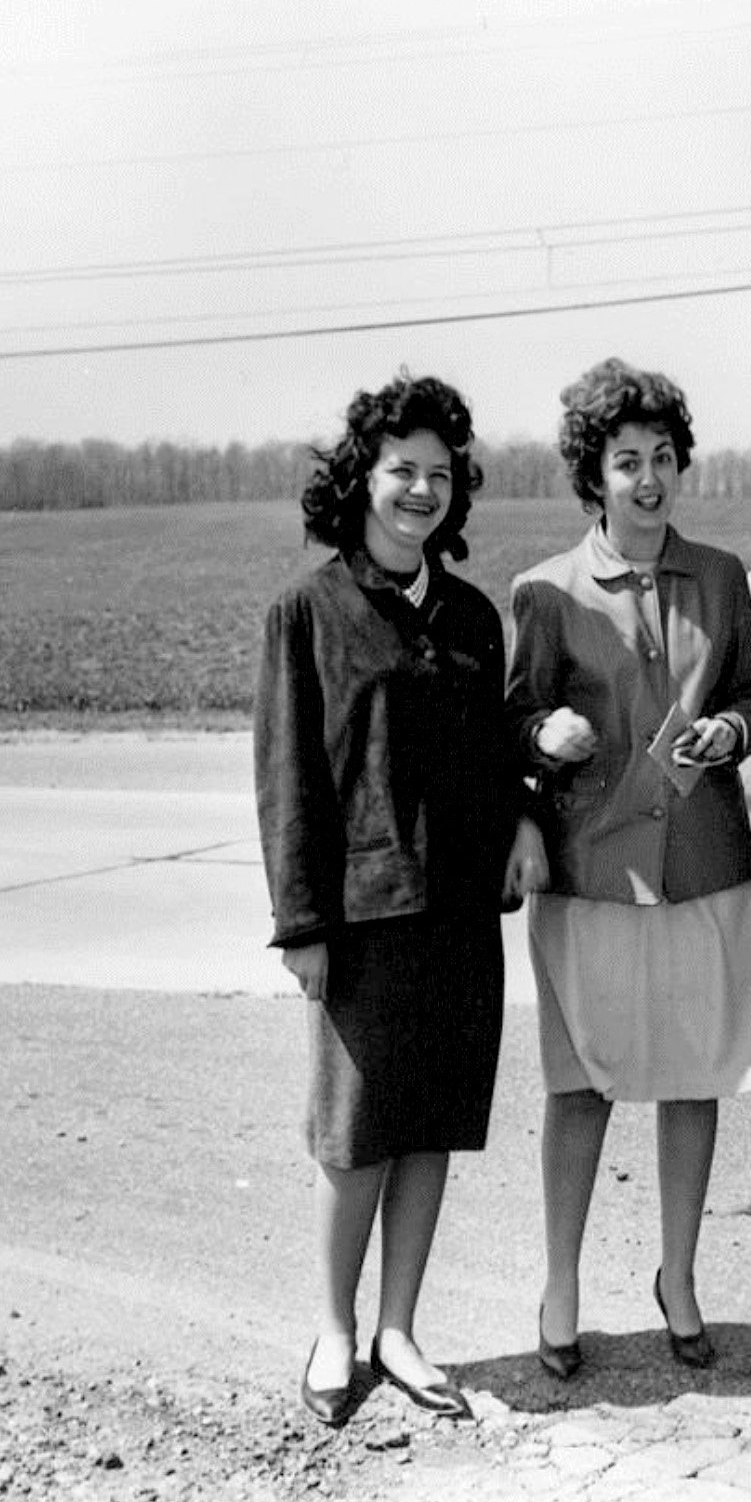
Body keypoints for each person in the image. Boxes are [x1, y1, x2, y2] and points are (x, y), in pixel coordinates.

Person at [254, 371, 546, 1428]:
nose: (419, 491)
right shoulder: (306, 611)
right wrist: (301, 924)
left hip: (460, 910)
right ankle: (335, 1329)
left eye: (438, 474)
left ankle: (400, 1328)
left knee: (431, 1126)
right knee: (357, 1131)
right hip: (361, 915)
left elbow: (487, 758)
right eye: (399, 472)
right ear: (360, 482)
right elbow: (286, 777)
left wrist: (522, 816)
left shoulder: (471, 614)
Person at [506, 358, 751, 1380]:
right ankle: (561, 1283)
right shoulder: (543, 590)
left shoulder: (722, 575)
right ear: (594, 475)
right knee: (582, 1085)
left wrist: (730, 727)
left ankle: (679, 1276)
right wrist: (545, 732)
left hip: (703, 866)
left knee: (693, 1078)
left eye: (663, 457)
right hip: (592, 875)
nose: (650, 477)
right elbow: (514, 726)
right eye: (627, 461)